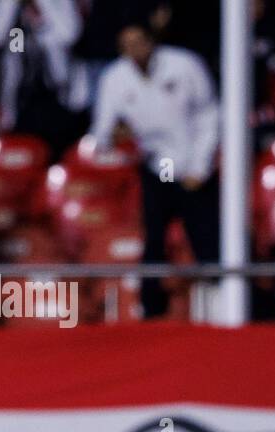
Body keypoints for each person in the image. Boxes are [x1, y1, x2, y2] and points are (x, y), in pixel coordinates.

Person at [89, 20, 218, 318]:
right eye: (126, 46)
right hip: (156, 167)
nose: (134, 51)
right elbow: (101, 133)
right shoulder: (115, 78)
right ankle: (151, 314)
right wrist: (115, 136)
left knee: (206, 240)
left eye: (139, 42)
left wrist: (200, 166)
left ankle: (221, 308)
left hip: (193, 167)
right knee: (153, 242)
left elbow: (209, 115)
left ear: (151, 40)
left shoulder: (185, 65)